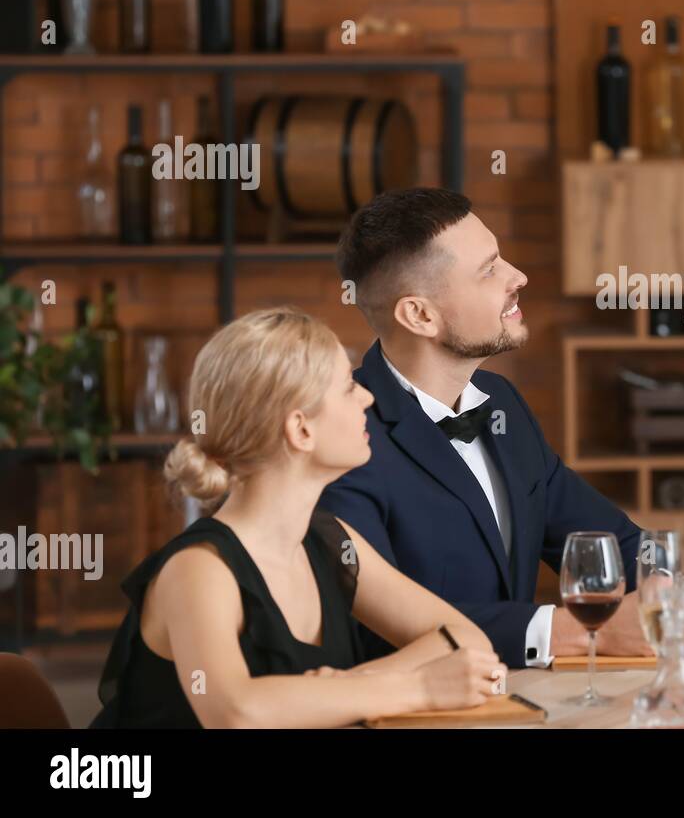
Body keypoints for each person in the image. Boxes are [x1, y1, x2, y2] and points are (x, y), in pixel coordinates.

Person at [92, 307, 505, 728]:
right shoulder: (199, 569)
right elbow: (235, 712)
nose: (367, 397)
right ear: (301, 430)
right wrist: (418, 688)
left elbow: (464, 637)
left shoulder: (332, 542)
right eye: (347, 387)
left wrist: (342, 688)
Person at [321, 188, 650, 669]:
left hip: (521, 703)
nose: (518, 277)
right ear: (420, 315)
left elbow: (613, 544)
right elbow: (375, 628)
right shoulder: (344, 437)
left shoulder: (502, 404)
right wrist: (566, 633)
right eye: (489, 270)